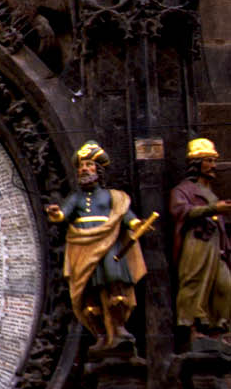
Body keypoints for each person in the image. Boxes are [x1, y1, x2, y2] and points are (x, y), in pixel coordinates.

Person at [46, 140, 155, 349]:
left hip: (109, 242)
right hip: (83, 244)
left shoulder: (113, 196)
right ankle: (100, 334)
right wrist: (55, 213)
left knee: (115, 281)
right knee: (88, 289)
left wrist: (136, 223)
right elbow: (63, 214)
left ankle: (119, 327)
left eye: (89, 165)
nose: (84, 169)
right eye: (82, 166)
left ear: (99, 169)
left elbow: (125, 215)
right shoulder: (76, 197)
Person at [170, 138, 231, 335]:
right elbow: (180, 211)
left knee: (225, 285)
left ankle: (218, 325)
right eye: (209, 160)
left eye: (213, 161)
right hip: (196, 241)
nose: (213, 165)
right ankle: (191, 326)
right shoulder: (183, 190)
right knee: (194, 282)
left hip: (215, 244)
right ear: (197, 164)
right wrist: (214, 208)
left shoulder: (210, 191)